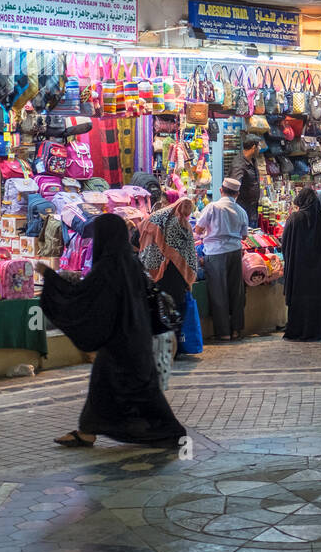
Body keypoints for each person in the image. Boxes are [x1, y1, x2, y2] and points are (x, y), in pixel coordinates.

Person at [38, 213, 187, 448]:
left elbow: (83, 297)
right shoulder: (131, 259)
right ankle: (87, 431)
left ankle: (169, 431)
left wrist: (51, 279)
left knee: (134, 391)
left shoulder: (108, 266)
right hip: (135, 337)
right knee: (107, 385)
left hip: (121, 343)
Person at [137, 196, 198, 364]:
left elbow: (139, 239)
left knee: (161, 311)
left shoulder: (160, 220)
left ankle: (160, 348)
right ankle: (174, 349)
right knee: (175, 312)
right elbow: (187, 252)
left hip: (160, 275)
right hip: (175, 276)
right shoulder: (179, 225)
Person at [193, 178, 249, 342]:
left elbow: (198, 228)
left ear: (220, 190)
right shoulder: (241, 210)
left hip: (215, 253)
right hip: (234, 251)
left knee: (218, 292)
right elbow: (244, 235)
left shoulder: (213, 207)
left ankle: (224, 332)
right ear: (237, 194)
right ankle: (236, 330)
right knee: (236, 292)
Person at [282, 184, 321, 341]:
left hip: (298, 268)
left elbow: (284, 242)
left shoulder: (295, 218)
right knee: (317, 298)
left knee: (299, 299)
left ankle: (297, 330)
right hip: (320, 268)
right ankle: (317, 330)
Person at [231, 136, 262, 225]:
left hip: (252, 211)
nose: (260, 149)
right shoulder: (239, 164)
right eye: (259, 146)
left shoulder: (253, 160)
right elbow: (233, 188)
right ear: (253, 147)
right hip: (243, 212)